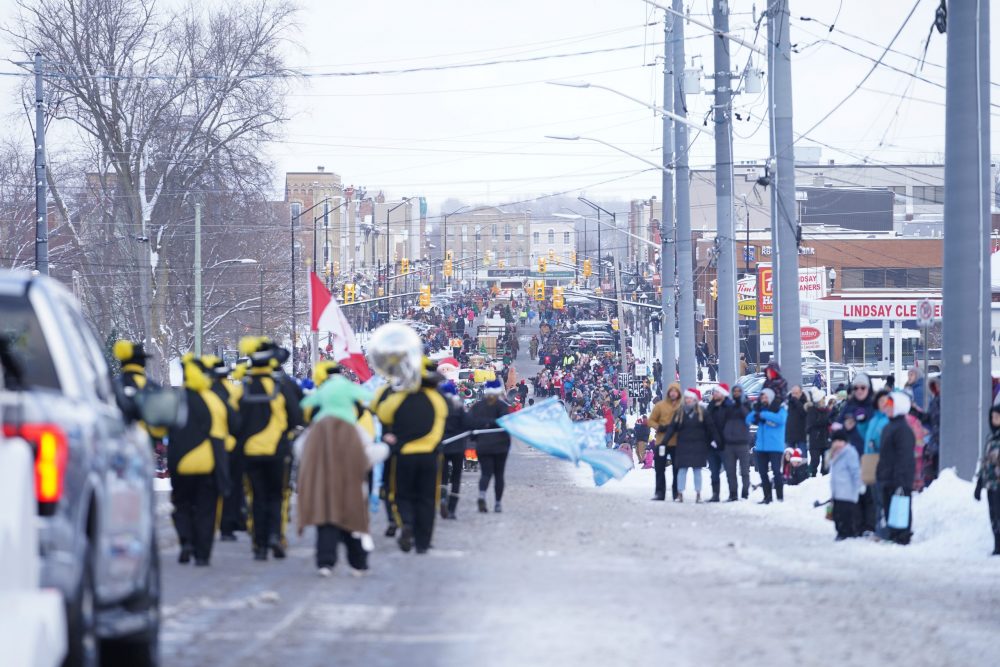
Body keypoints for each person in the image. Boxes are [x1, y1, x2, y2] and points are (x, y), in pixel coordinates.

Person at [370, 326, 449, 554]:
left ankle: (406, 524)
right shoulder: (437, 399)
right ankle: (423, 542)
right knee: (426, 499)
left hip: (402, 455)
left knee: (401, 495)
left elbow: (381, 411)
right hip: (430, 456)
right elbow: (443, 421)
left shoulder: (396, 395)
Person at [296, 391, 389, 577]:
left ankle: (325, 562)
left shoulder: (315, 428)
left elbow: (300, 450)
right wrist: (385, 448)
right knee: (352, 526)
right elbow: (369, 453)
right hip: (349, 485)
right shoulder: (354, 428)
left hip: (322, 483)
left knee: (326, 523)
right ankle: (358, 563)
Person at [237, 336, 304, 561]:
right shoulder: (283, 385)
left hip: (250, 454)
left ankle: (259, 544)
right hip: (278, 452)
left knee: (256, 497)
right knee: (276, 496)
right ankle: (276, 535)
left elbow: (235, 422)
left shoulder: (243, 387)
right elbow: (297, 416)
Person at [168, 355, 229, 566]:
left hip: (180, 462)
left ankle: (186, 540)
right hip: (207, 463)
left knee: (182, 504)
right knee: (206, 509)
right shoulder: (213, 400)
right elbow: (223, 431)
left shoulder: (175, 399)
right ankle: (202, 553)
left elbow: (161, 427)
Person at [203, 356, 244, 541]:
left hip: (205, 446)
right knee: (230, 487)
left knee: (208, 488)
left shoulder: (203, 392)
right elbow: (237, 420)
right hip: (230, 447)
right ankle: (227, 526)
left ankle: (207, 525)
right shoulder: (234, 391)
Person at [113, 340, 168, 475]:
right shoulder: (153, 387)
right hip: (147, 448)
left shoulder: (112, 385)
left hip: (117, 447)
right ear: (141, 362)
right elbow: (162, 423)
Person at [661, 389, 718, 503]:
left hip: (698, 446)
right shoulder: (680, 412)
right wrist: (664, 441)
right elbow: (672, 427)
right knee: (682, 470)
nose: (688, 400)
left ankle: (698, 493)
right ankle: (680, 493)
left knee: (697, 471)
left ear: (695, 399)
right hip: (683, 447)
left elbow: (710, 427)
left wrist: (715, 440)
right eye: (686, 398)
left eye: (690, 398)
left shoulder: (702, 412)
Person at [876, 391, 916, 545]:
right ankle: (893, 532)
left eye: (890, 405)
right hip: (887, 475)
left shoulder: (903, 429)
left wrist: (901, 479)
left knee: (901, 506)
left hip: (898, 477)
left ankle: (902, 535)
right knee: (889, 507)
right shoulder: (889, 426)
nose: (886, 407)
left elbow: (905, 457)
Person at [468, 379, 512, 513]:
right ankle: (498, 503)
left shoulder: (476, 407)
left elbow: (471, 425)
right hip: (500, 445)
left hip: (483, 445)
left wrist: (475, 437)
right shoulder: (503, 406)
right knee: (499, 475)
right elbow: (506, 424)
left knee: (485, 473)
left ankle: (482, 494)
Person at [747, 388, 787, 504]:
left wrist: (764, 414)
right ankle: (767, 497)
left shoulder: (780, 408)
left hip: (775, 446)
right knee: (762, 473)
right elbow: (748, 419)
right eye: (762, 397)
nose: (763, 399)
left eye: (766, 397)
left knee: (776, 471)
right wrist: (756, 411)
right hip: (761, 447)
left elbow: (781, 419)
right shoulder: (760, 409)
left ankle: (780, 497)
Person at [439, 380, 469, 520]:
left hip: (442, 446)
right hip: (458, 446)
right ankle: (451, 509)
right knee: (456, 477)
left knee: (443, 476)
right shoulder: (458, 407)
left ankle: (442, 499)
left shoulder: (438, 408)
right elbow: (467, 423)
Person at [648, 383, 682, 501]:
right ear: (668, 392)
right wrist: (659, 427)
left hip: (677, 443)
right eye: (671, 391)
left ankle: (676, 493)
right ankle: (659, 493)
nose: (673, 393)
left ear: (678, 393)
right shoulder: (660, 406)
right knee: (659, 468)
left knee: (677, 469)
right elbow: (650, 421)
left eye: (675, 391)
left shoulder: (681, 407)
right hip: (661, 442)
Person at [974, 406, 1000, 556]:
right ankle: (997, 545)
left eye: (997, 416)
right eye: (993, 417)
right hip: (991, 485)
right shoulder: (990, 438)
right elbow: (985, 462)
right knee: (994, 516)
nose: (994, 420)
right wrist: (979, 485)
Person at [719, 384, 752, 501]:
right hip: (729, 443)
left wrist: (740, 405)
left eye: (739, 391)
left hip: (742, 443)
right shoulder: (728, 405)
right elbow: (722, 419)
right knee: (730, 471)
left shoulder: (746, 404)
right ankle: (733, 494)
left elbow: (748, 418)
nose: (736, 393)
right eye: (734, 391)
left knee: (744, 471)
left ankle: (745, 493)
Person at [828, 432, 862, 540]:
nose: (838, 444)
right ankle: (840, 531)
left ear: (845, 442)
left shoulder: (849, 453)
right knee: (837, 514)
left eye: (840, 441)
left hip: (847, 490)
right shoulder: (834, 454)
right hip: (837, 491)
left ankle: (847, 533)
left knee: (846, 514)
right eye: (835, 442)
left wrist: (859, 485)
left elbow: (855, 471)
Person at [705, 385, 733, 502]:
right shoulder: (710, 407)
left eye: (717, 392)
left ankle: (733, 494)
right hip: (712, 444)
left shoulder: (729, 407)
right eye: (714, 392)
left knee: (729, 471)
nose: (714, 394)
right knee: (714, 471)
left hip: (725, 444)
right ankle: (715, 494)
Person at [805, 391, 832, 477]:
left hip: (825, 438)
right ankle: (811, 475)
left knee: (826, 461)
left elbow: (829, 421)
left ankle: (824, 476)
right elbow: (813, 422)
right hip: (815, 439)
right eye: (823, 398)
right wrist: (825, 420)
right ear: (818, 400)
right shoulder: (811, 410)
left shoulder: (826, 410)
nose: (824, 400)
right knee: (815, 461)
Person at [785, 385, 808, 461]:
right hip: (789, 434)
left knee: (802, 457)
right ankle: (789, 472)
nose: (794, 395)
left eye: (796, 393)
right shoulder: (788, 402)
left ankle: (803, 471)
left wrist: (797, 402)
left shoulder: (805, 401)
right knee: (788, 458)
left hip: (801, 434)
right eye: (793, 393)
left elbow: (804, 413)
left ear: (801, 393)